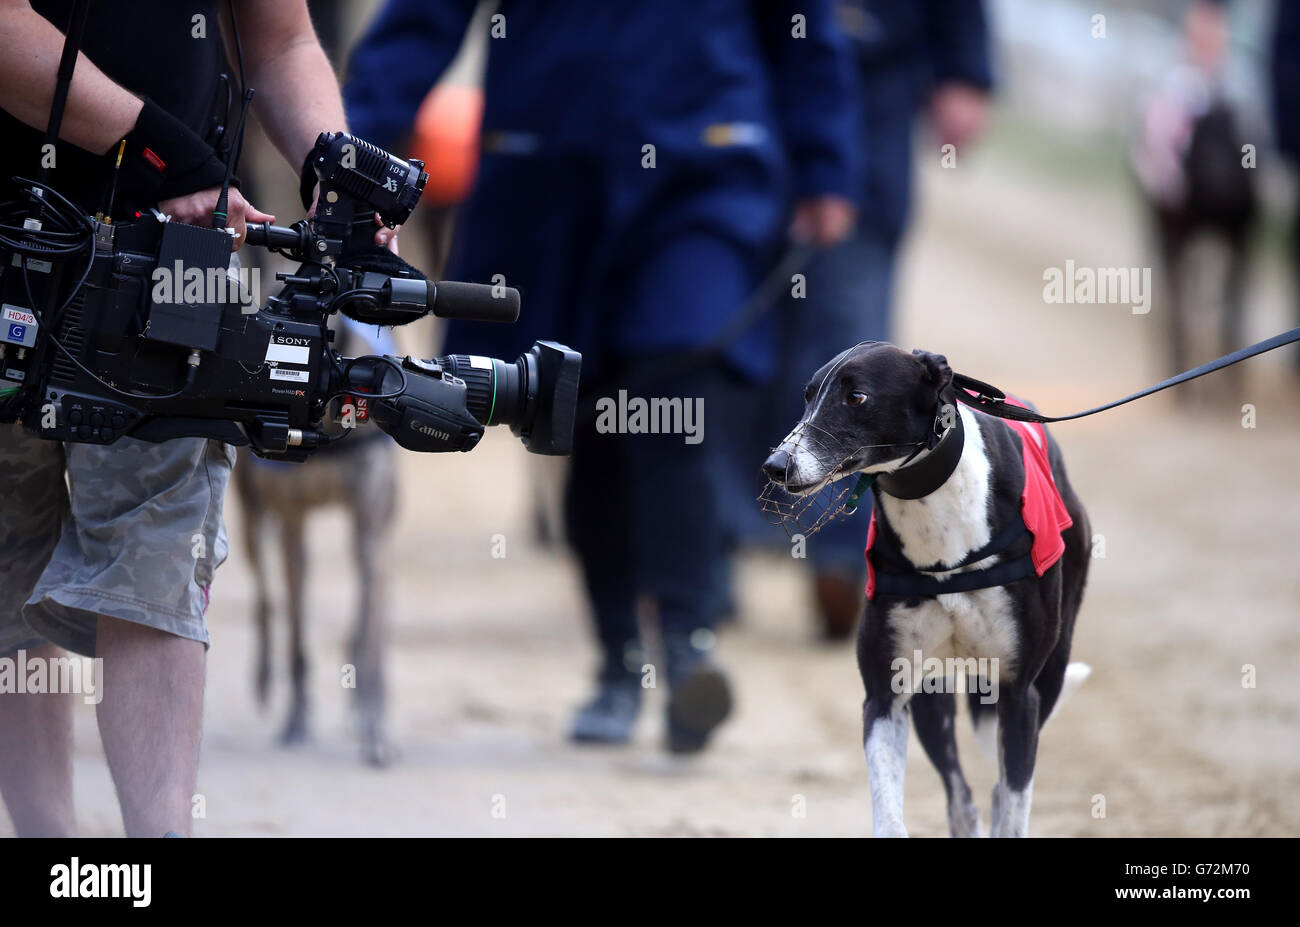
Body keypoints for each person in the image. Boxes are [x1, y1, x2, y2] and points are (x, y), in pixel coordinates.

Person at [345, 0, 859, 752]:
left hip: (706, 162)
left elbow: (802, 22)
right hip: (549, 167)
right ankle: (620, 661)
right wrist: (354, 144)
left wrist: (826, 163)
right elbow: (425, 15)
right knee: (586, 403)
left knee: (673, 382)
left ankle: (688, 646)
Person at [0, 0, 387, 837]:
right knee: (11, 570)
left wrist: (336, 167)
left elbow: (279, 39)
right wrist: (168, 151)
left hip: (182, 255)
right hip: (19, 237)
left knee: (159, 549)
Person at [776, 0, 994, 639]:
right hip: (742, 94)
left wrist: (964, 67)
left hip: (871, 91)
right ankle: (715, 544)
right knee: (743, 341)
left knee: (851, 348)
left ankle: (844, 555)